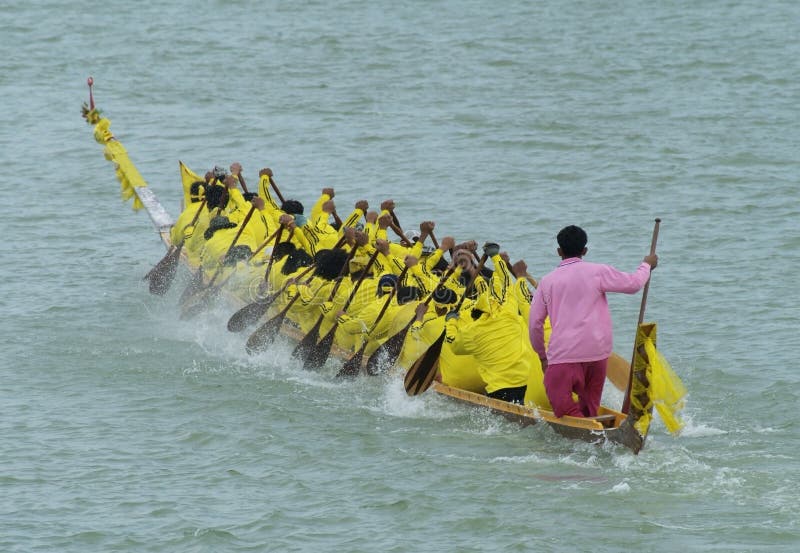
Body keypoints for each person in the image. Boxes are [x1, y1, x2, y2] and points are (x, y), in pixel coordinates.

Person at [528, 225, 658, 418]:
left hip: (563, 355)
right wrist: (646, 265)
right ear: (584, 250)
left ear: (559, 251)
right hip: (597, 354)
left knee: (562, 409)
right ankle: (593, 428)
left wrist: (542, 357)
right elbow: (634, 284)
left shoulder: (547, 282)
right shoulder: (598, 271)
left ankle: (586, 430)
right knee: (589, 407)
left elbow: (535, 325)